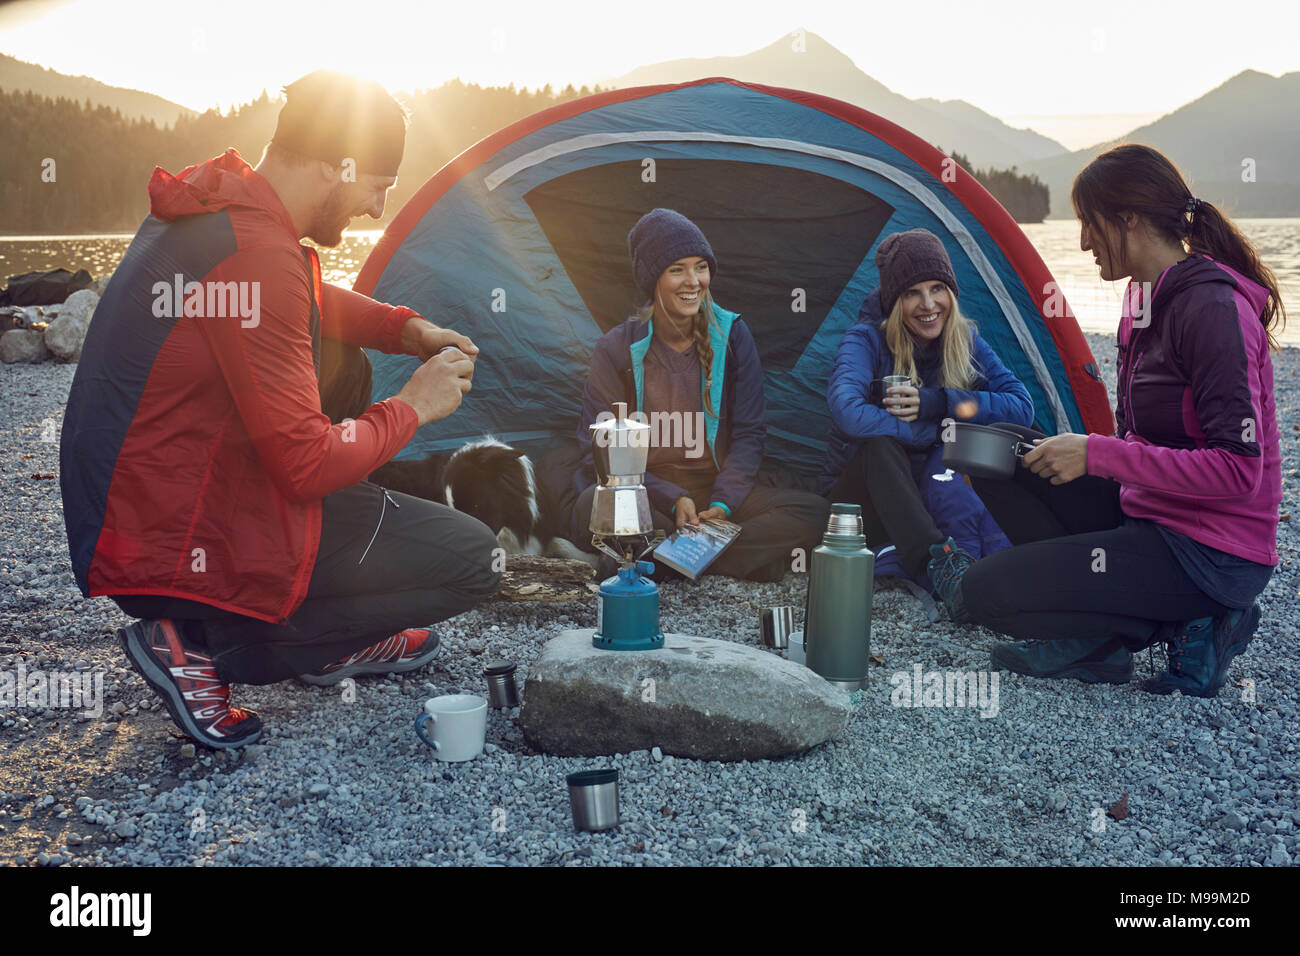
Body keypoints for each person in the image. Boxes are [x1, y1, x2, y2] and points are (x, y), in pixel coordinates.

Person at [60, 71, 502, 750]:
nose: (379, 207)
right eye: (377, 183)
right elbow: (301, 464)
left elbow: (306, 297)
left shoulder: (227, 208)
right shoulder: (258, 257)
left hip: (134, 514)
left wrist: (405, 330)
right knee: (476, 560)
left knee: (343, 363)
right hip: (168, 547)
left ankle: (299, 620)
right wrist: (413, 406)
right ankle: (215, 644)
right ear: (335, 166)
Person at [942, 143, 1284, 697]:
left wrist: (1098, 455)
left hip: (1212, 553)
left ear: (1127, 220)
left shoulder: (1215, 311)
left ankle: (1202, 618)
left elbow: (1238, 470)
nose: (1081, 242)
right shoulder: (1139, 299)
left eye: (1088, 224)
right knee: (993, 450)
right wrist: (1089, 454)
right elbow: (1143, 441)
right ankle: (1100, 635)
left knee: (983, 594)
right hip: (1146, 516)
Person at [571, 208, 829, 581]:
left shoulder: (734, 336)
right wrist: (672, 497)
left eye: (701, 267)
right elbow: (600, 450)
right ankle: (725, 557)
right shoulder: (617, 348)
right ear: (652, 280)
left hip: (715, 493)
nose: (693, 281)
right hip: (648, 492)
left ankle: (661, 559)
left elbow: (749, 435)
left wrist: (723, 504)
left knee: (817, 512)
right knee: (589, 507)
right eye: (677, 269)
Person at [821, 228, 1033, 616]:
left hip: (932, 494)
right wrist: (931, 431)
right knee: (879, 444)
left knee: (1007, 437)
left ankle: (1003, 561)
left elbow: (1021, 406)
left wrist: (940, 403)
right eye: (911, 293)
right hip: (866, 498)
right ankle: (938, 566)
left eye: (937, 288)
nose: (928, 304)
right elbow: (847, 411)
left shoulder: (964, 339)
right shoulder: (866, 339)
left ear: (951, 293)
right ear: (893, 301)